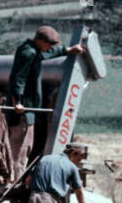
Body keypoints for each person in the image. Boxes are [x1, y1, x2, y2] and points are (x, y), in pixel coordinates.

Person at [5, 25, 85, 170]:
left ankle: (14, 179)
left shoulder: (32, 49)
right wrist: (17, 102)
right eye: (49, 45)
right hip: (23, 112)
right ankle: (12, 182)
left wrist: (67, 50)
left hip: (28, 110)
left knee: (24, 149)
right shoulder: (28, 53)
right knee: (19, 149)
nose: (49, 48)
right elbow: (18, 79)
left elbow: (45, 54)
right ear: (40, 41)